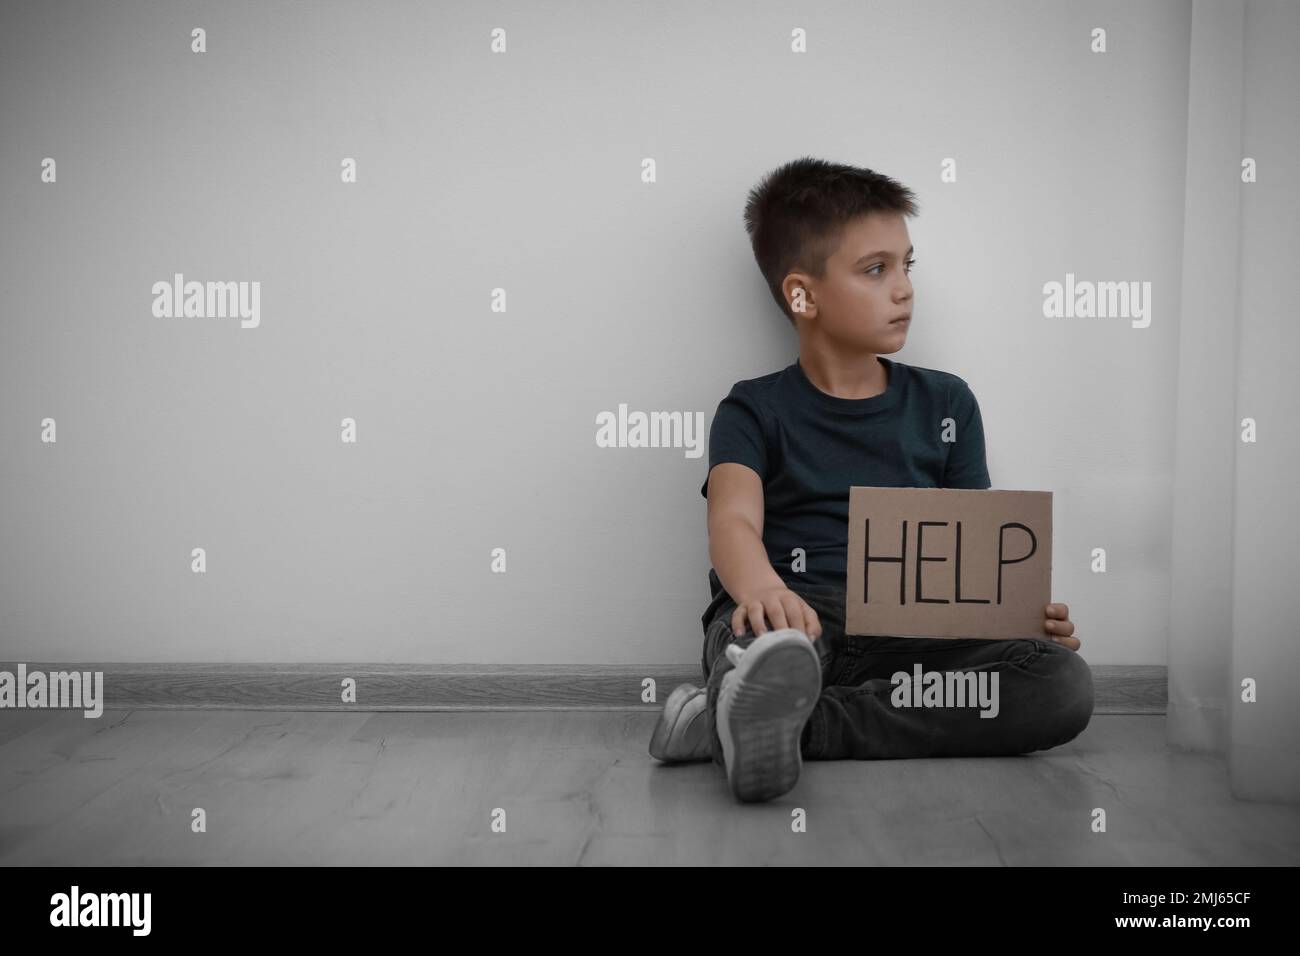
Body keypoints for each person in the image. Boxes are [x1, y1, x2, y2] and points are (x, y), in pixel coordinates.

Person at [647, 157, 1093, 803]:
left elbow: (972, 552)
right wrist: (764, 588)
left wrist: (1015, 616)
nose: (905, 288)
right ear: (802, 294)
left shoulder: (947, 404)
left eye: (908, 265)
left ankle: (771, 726)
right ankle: (750, 705)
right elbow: (732, 520)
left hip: (915, 633)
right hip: (796, 618)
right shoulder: (753, 408)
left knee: (1063, 683)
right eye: (876, 270)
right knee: (758, 643)